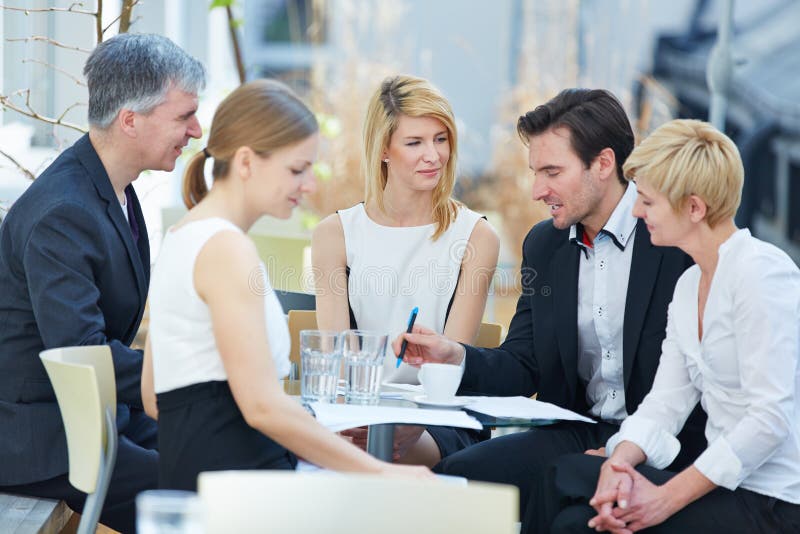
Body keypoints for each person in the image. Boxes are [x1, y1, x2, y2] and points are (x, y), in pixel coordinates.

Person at [392, 89, 706, 517]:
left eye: (552, 172)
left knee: (567, 511)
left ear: (603, 163)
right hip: (577, 432)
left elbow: (705, 386)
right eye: (535, 172)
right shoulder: (545, 245)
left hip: (669, 444)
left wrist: (629, 451)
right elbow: (525, 365)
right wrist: (456, 356)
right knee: (451, 484)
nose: (538, 190)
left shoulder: (672, 237)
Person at [141, 79, 431, 491]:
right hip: (242, 491)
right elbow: (262, 406)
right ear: (245, 162)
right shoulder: (227, 250)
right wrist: (383, 471)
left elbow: (155, 397)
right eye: (297, 169)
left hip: (199, 480)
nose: (310, 185)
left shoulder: (183, 237)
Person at [531, 119, 800, 534]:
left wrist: (663, 500)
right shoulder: (690, 283)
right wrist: (620, 462)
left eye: (648, 202)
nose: (636, 212)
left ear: (695, 208)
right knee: (570, 496)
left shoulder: (762, 275)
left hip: (775, 502)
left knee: (570, 503)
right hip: (725, 488)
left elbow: (769, 421)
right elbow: (665, 403)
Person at [0, 34, 204, 533]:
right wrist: (190, 378)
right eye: (183, 117)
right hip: (43, 437)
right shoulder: (64, 212)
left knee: (235, 454)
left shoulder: (109, 189)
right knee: (206, 497)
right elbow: (83, 353)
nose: (196, 131)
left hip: (97, 413)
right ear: (130, 120)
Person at [312, 74, 500, 467]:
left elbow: (449, 367)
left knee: (380, 453)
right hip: (357, 407)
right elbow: (335, 356)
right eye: (414, 142)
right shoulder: (335, 234)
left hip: (439, 418)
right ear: (383, 150)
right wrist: (358, 419)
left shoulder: (477, 237)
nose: (432, 155)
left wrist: (402, 424)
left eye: (441, 139)